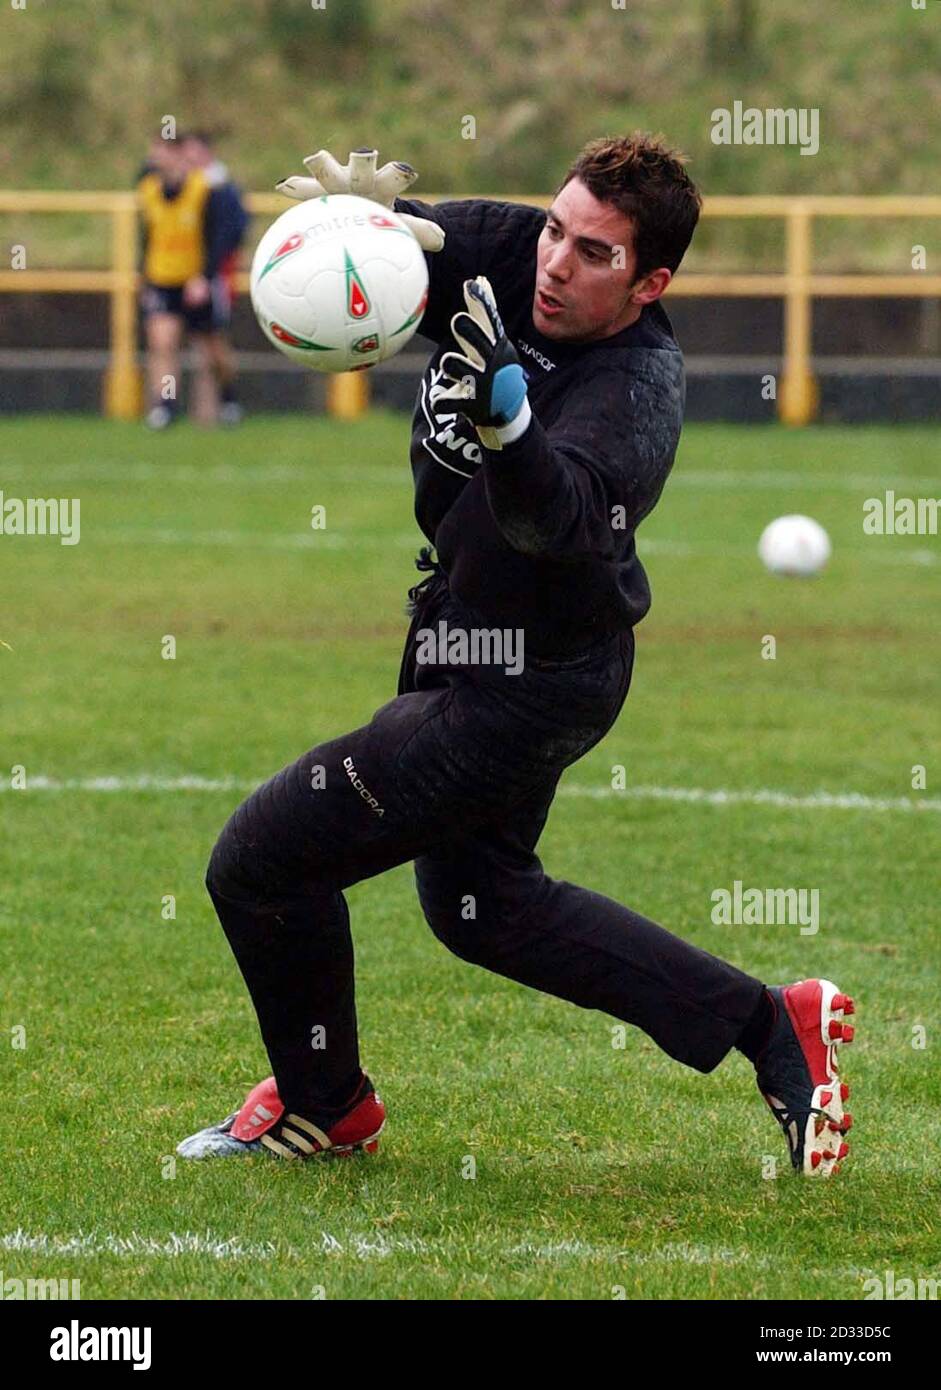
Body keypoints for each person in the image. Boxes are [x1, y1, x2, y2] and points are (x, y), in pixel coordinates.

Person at [177, 140, 854, 1177]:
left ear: (648, 280)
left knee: (261, 863)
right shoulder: (513, 253)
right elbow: (418, 247)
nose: (554, 263)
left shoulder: (635, 388)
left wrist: (509, 423)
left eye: (593, 253)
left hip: (534, 682)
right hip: (460, 632)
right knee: (480, 906)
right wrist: (360, 233)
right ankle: (772, 1027)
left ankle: (323, 1104)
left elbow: (561, 523)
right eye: (553, 229)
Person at [180, 131, 249, 425]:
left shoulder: (220, 187)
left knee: (214, 340)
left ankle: (229, 400)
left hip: (212, 276)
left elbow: (231, 231)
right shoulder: (183, 184)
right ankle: (202, 409)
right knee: (197, 341)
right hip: (183, 274)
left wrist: (207, 274)